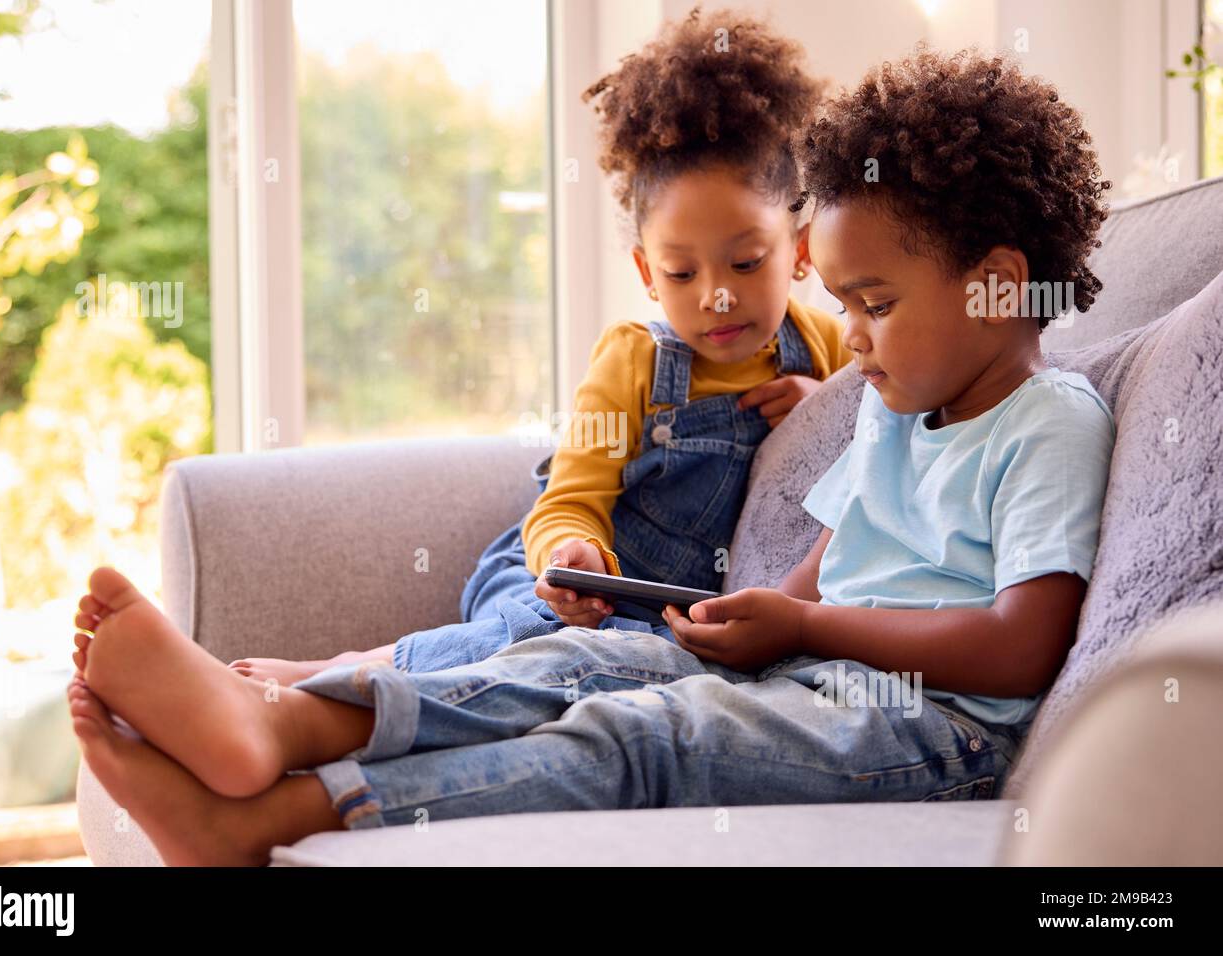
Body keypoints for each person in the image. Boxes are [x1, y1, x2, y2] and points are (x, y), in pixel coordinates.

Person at [68, 45, 1116, 866]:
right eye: (841, 302)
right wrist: (772, 613)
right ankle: (284, 720)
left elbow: (1021, 645)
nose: (848, 334)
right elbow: (833, 558)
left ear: (995, 284)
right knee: (580, 657)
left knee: (645, 733)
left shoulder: (1048, 422)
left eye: (874, 304)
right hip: (812, 668)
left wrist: (800, 623)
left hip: (939, 733)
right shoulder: (891, 405)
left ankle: (279, 815)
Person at [225, 6, 847, 685]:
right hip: (567, 595)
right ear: (645, 273)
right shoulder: (637, 360)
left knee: (621, 678)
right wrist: (571, 552)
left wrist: (820, 412)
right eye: (681, 273)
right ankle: (354, 671)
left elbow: (869, 444)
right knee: (540, 637)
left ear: (802, 250)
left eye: (747, 262)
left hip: (667, 627)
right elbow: (568, 499)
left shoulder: (829, 351)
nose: (716, 296)